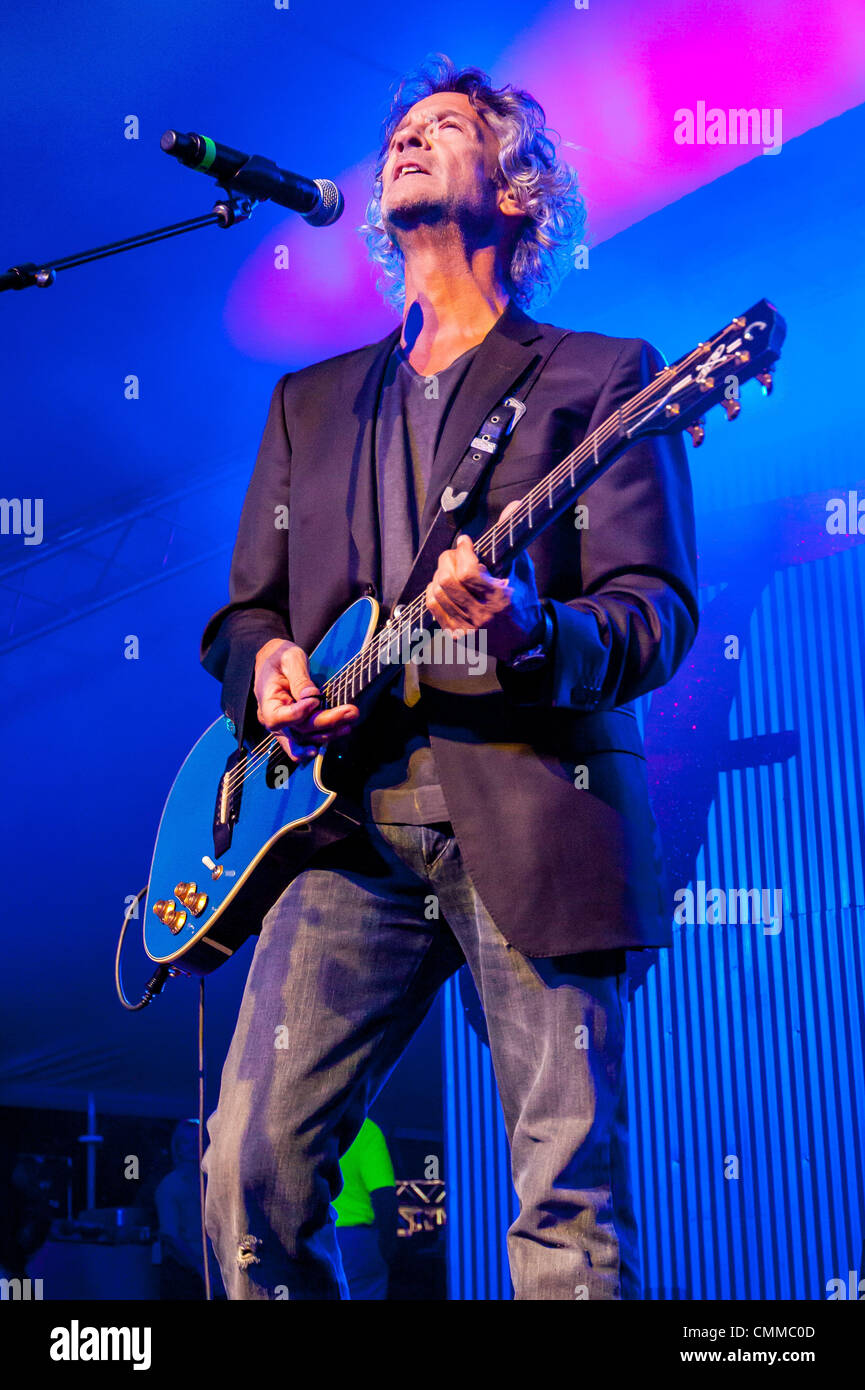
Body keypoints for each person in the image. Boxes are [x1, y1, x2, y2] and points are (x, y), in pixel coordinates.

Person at [200, 55, 698, 1301]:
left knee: (565, 1205)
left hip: (534, 808)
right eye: (400, 133)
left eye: (445, 129)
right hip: (339, 830)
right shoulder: (307, 403)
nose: (408, 143)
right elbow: (246, 609)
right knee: (245, 1180)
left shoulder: (602, 377)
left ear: (519, 191)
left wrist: (531, 627)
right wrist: (260, 660)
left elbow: (654, 614)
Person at [333, 1118, 398, 1299]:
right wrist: (387, 1247)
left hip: (309, 1239)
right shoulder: (365, 1129)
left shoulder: (306, 1123)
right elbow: (384, 1196)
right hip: (355, 1244)